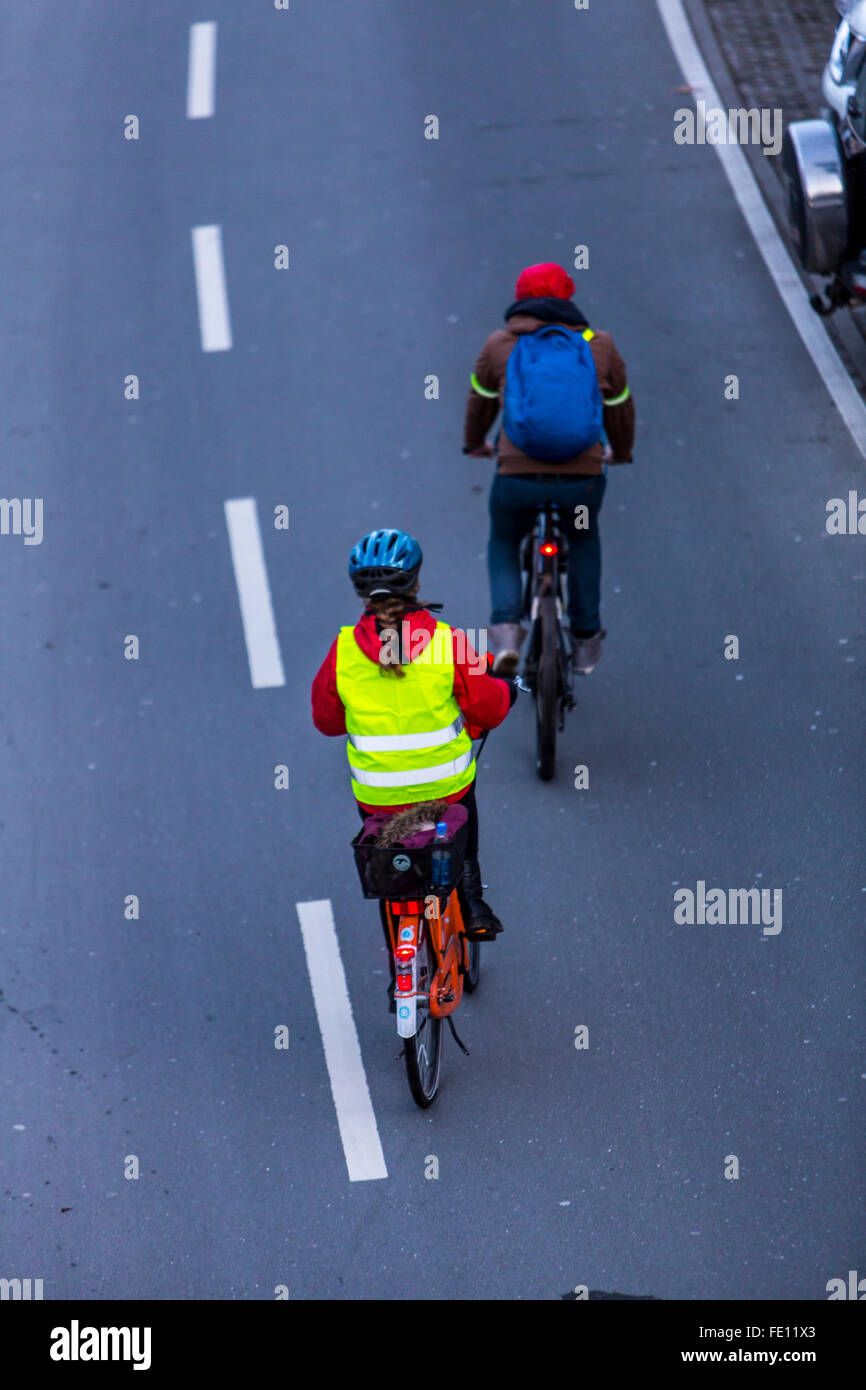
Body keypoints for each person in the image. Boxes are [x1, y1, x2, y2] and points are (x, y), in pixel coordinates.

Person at [311, 529, 516, 979]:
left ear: (360, 592)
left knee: (393, 876)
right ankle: (472, 899)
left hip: (378, 797)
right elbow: (489, 707)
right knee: (461, 815)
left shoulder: (344, 651)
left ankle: (399, 968)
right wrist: (506, 693)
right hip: (446, 788)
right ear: (416, 585)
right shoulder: (448, 642)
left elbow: (326, 722)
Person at [463, 262, 635, 677]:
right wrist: (622, 452)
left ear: (520, 300)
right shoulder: (600, 346)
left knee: (504, 540)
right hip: (581, 483)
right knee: (583, 539)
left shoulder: (499, 345)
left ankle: (506, 633)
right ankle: (586, 641)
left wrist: (476, 444)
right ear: (567, 299)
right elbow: (619, 410)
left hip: (517, 479)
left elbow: (479, 403)